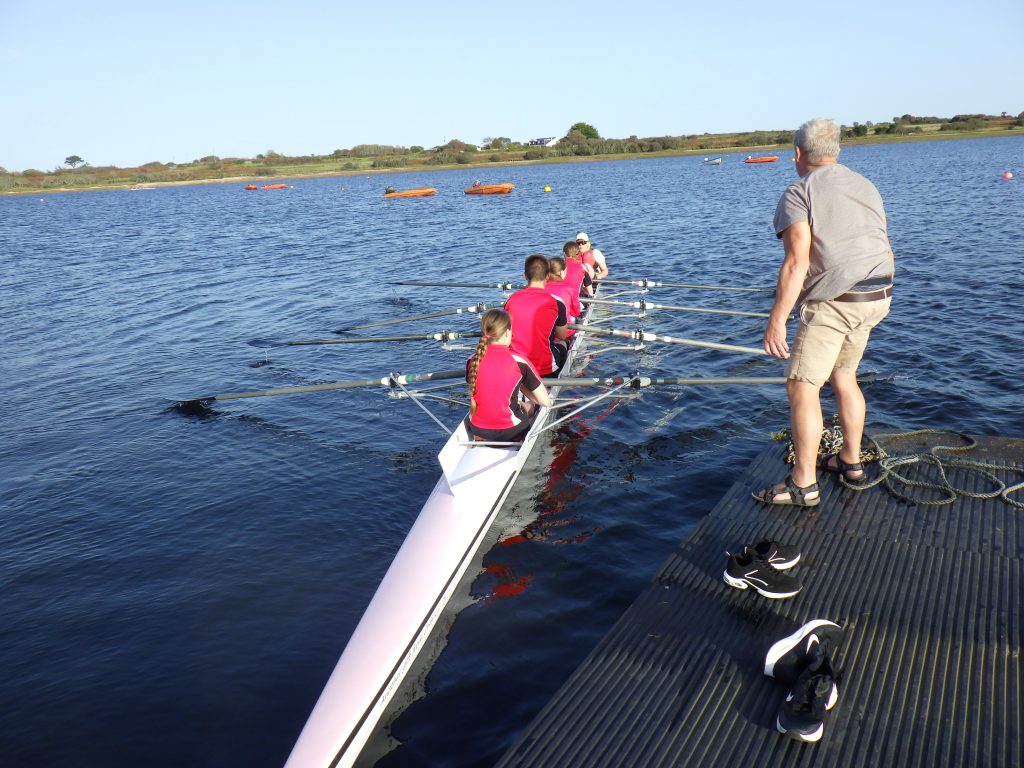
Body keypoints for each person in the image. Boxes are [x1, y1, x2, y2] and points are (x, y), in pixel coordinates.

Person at [753, 117, 895, 507]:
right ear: (836, 151)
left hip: (837, 303)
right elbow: (885, 245)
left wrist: (776, 320)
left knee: (802, 386)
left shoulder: (799, 192)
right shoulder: (865, 185)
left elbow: (796, 263)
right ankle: (850, 461)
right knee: (844, 376)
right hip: (878, 295)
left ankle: (803, 485)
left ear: (797, 153)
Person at [466, 308, 550, 442]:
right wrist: (522, 387)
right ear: (506, 332)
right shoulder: (519, 360)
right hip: (511, 431)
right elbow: (545, 401)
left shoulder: (472, 360)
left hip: (477, 429)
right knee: (531, 405)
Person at [504, 254, 568, 377]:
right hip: (547, 369)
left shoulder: (511, 300)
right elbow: (562, 335)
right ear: (548, 276)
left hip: (518, 366)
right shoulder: (557, 302)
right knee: (563, 343)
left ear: (525, 276)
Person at [544, 256, 582, 345]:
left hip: (544, 331)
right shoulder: (570, 288)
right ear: (561, 272)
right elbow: (576, 313)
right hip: (564, 332)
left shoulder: (539, 287)